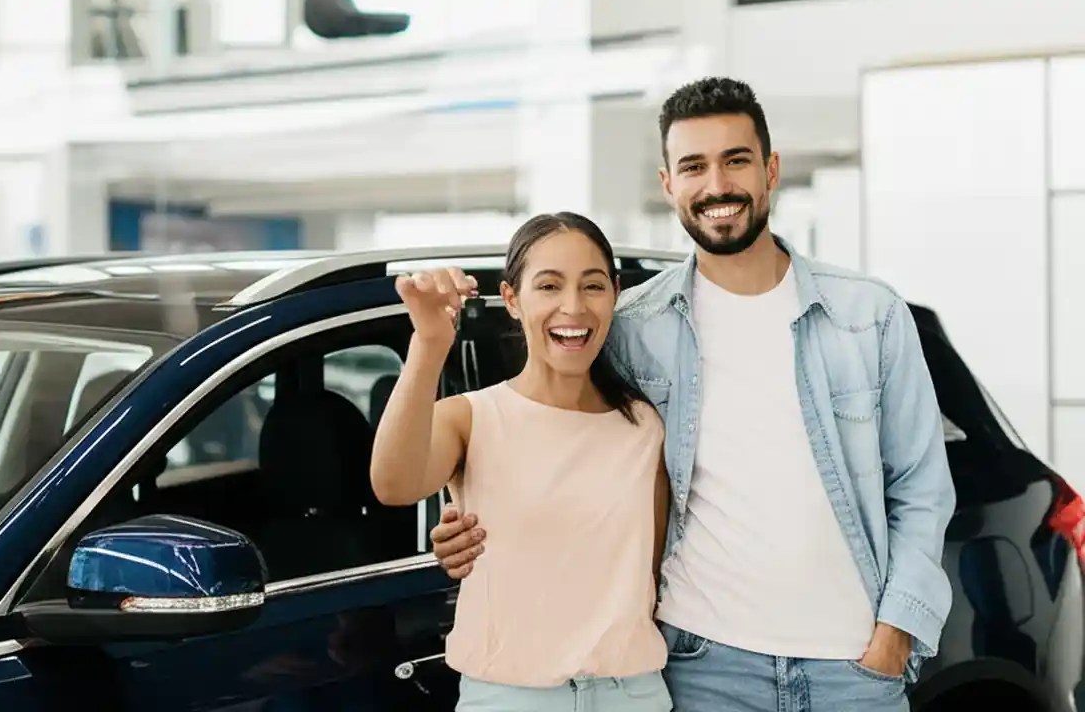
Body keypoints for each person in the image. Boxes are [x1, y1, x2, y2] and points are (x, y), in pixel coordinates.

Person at [428, 77, 956, 712]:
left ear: (770, 170)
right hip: (704, 667)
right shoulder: (632, 327)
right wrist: (469, 518)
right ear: (668, 184)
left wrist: (896, 634)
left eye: (736, 160)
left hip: (852, 668)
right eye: (694, 166)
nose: (717, 186)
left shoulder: (868, 316)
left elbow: (922, 490)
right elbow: (564, 444)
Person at [370, 212, 674, 711]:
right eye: (549, 286)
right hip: (511, 699)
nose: (572, 308)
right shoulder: (472, 418)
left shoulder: (645, 426)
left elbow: (657, 571)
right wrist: (428, 344)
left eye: (592, 286)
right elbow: (393, 485)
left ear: (615, 294)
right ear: (512, 299)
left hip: (634, 694)